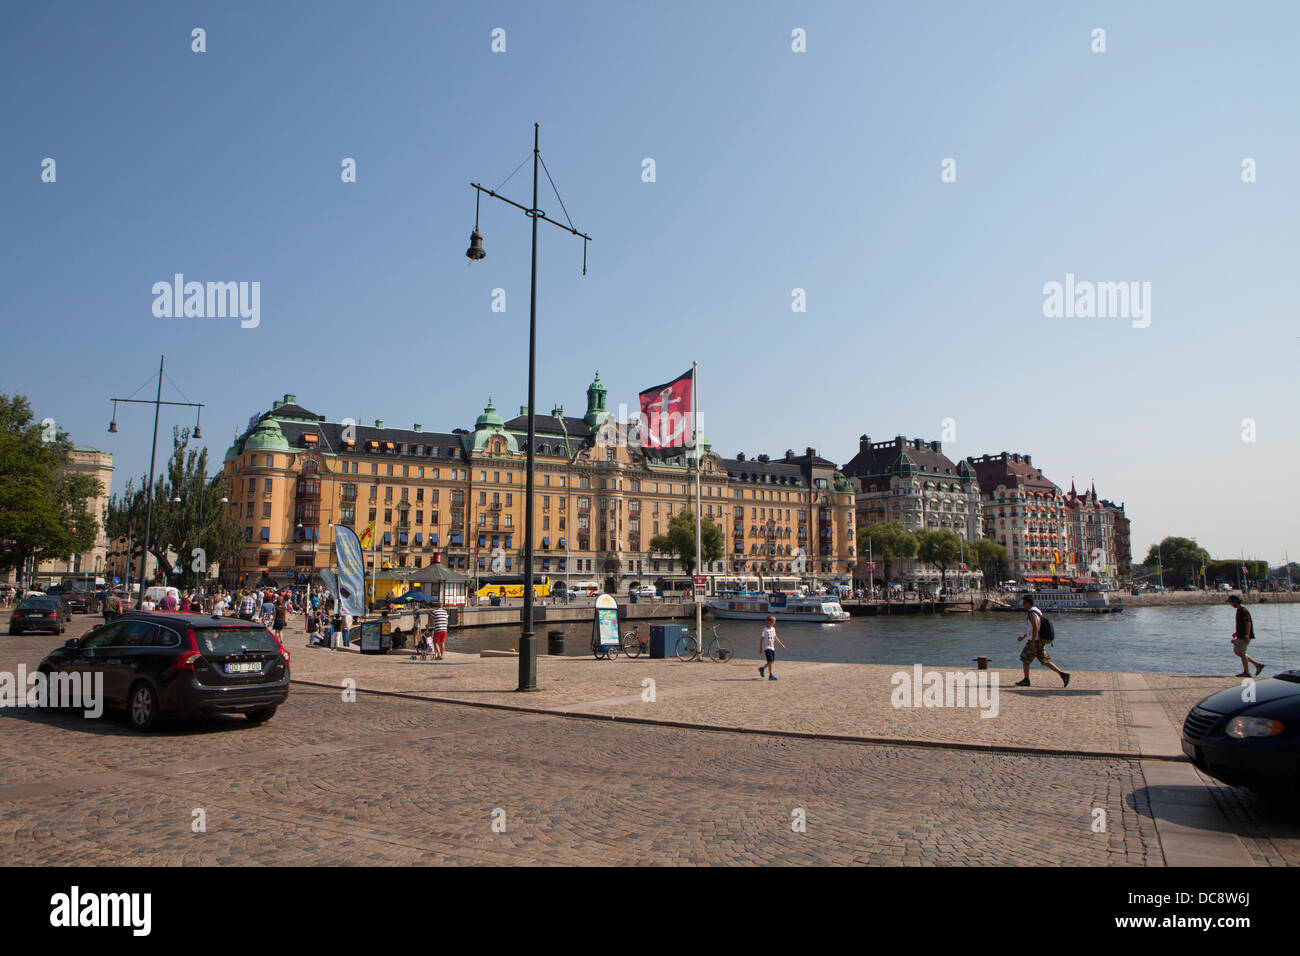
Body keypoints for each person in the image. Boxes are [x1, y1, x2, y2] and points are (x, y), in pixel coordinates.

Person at [1015, 595, 1070, 688]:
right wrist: (1024, 636)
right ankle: (1063, 674)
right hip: (1039, 640)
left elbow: (1036, 627)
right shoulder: (1037, 611)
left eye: (1024, 603)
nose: (1023, 604)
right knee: (1044, 661)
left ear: (1028, 603)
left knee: (1025, 658)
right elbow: (1034, 628)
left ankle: (1026, 680)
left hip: (1035, 640)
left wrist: (1032, 642)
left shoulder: (1031, 613)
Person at [1227, 595, 1264, 677]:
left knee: (1240, 652)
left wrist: (1247, 635)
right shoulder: (1239, 610)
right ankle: (1257, 665)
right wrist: (1236, 633)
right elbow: (1241, 624)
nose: (1230, 604)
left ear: (1235, 602)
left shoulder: (1243, 610)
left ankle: (1247, 672)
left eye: (1231, 602)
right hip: (1241, 635)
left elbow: (1248, 623)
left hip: (1245, 636)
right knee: (1238, 652)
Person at [757, 615, 785, 680]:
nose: (774, 623)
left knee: (771, 661)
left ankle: (762, 668)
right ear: (769, 622)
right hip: (766, 647)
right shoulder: (765, 629)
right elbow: (761, 639)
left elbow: (775, 637)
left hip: (772, 647)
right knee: (770, 660)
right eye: (773, 622)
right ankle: (770, 675)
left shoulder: (773, 629)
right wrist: (760, 648)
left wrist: (782, 644)